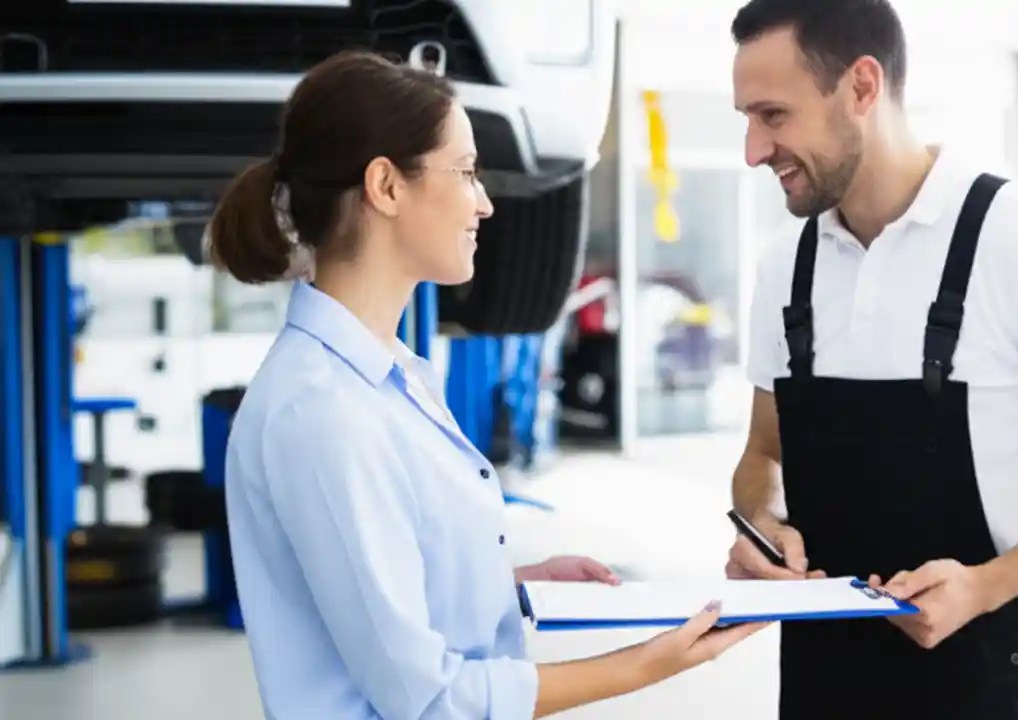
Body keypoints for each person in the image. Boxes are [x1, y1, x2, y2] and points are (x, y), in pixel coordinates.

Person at [209, 50, 766, 720]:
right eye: (466, 172)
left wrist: (510, 588)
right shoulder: (321, 412)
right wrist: (648, 663)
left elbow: (374, 588)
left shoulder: (388, 379)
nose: (484, 202)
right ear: (386, 187)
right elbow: (427, 697)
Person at [723, 1, 1018, 718]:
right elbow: (763, 456)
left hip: (976, 686)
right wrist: (762, 527)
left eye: (773, 116)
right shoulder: (786, 269)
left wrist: (988, 585)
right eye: (746, 118)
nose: (752, 149)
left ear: (862, 88)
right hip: (815, 683)